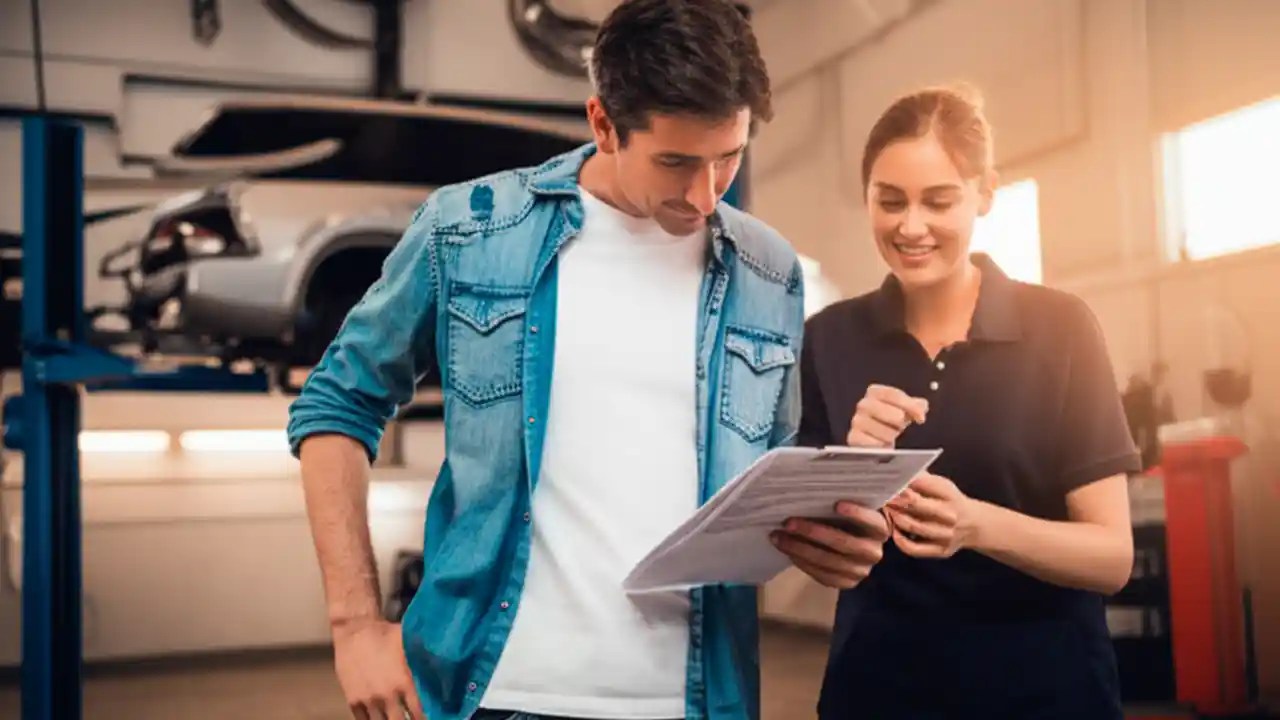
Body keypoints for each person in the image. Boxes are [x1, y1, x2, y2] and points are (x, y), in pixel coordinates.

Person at [287, 2, 886, 719]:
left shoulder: (768, 269)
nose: (704, 195)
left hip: (700, 700)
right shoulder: (471, 230)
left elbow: (765, 484)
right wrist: (355, 627)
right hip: (498, 694)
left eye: (729, 158)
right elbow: (337, 403)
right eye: (675, 162)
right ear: (602, 123)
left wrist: (828, 539)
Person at [771, 85, 1141, 719]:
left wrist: (977, 525)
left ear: (985, 193)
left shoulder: (1061, 327)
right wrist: (854, 466)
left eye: (938, 201)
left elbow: (1111, 558)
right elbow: (819, 553)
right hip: (878, 692)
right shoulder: (827, 338)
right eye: (889, 202)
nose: (910, 226)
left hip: (1042, 694)